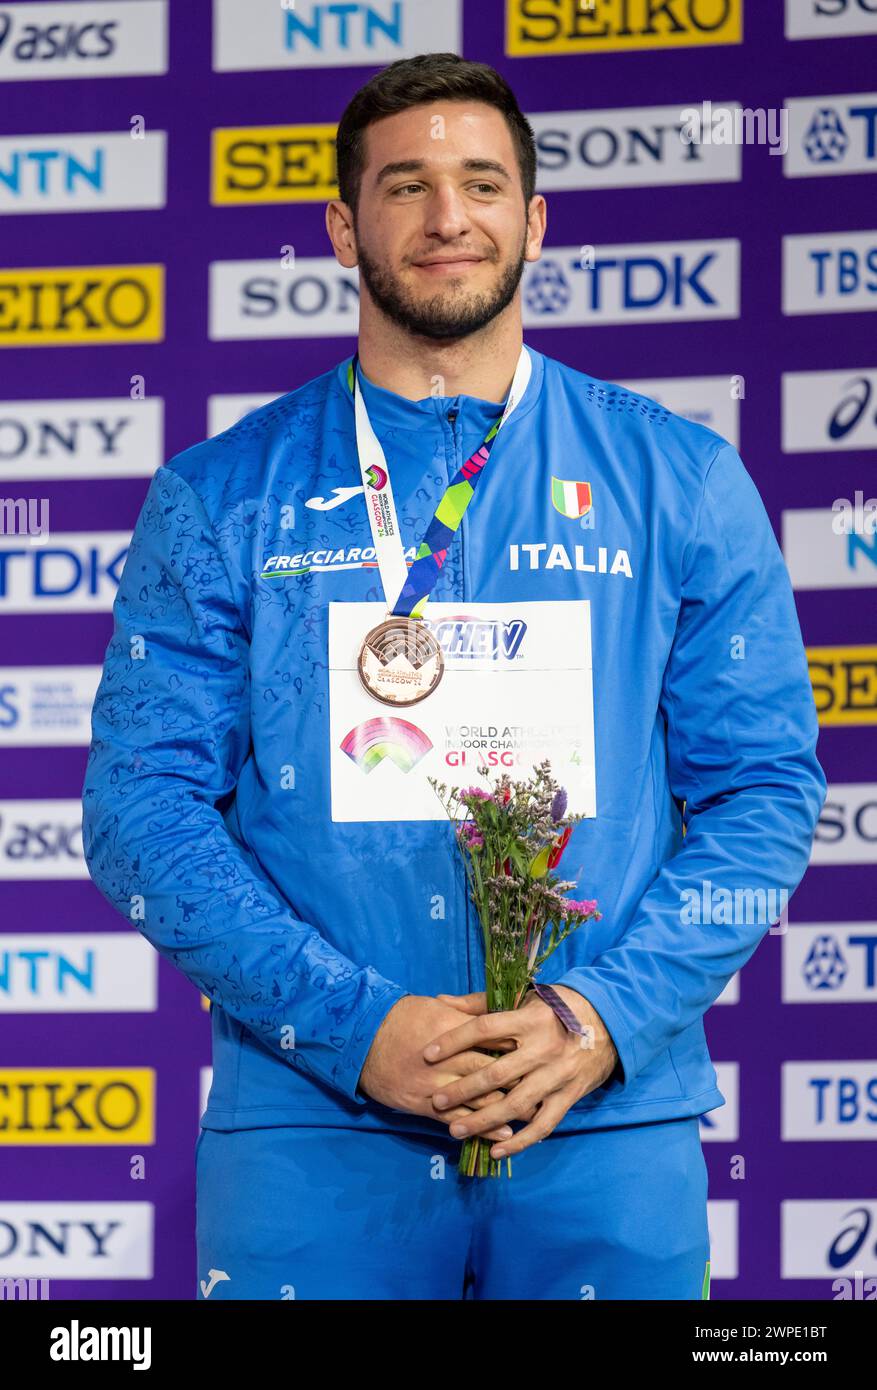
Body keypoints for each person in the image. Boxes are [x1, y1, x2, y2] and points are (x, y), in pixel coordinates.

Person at [81, 52, 826, 1301]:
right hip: (317, 1121)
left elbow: (761, 794)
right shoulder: (220, 497)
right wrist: (350, 1024)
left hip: (601, 1115)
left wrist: (593, 1021)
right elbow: (139, 814)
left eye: (481, 183)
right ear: (340, 224)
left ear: (533, 221)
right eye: (404, 185)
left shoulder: (681, 480)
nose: (445, 218)